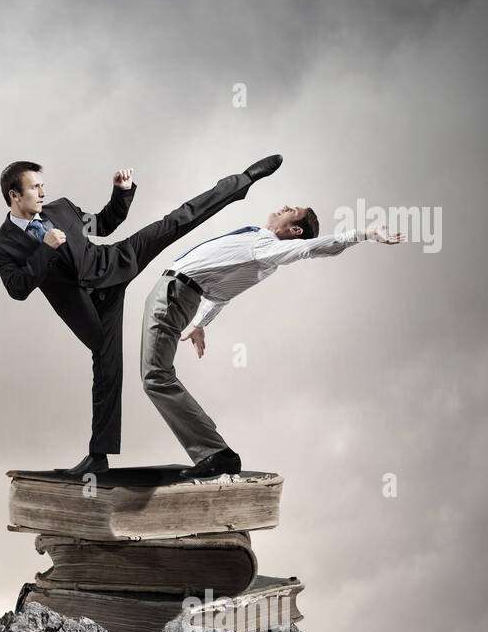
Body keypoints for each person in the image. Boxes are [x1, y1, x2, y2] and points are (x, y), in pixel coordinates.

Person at [0, 155, 283, 476]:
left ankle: (242, 182)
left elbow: (102, 225)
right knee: (107, 372)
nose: (43, 193)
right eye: (35, 187)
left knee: (174, 221)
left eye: (43, 185)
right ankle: (98, 457)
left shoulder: (60, 209)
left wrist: (121, 192)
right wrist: (45, 248)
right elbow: (17, 287)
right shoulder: (2, 244)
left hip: (115, 262)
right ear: (14, 195)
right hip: (88, 307)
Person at [140, 205, 406, 479]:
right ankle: (212, 448)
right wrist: (199, 323)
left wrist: (364, 234)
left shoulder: (267, 248)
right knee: (155, 376)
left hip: (174, 293)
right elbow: (223, 293)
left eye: (293, 210)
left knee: (156, 377)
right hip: (174, 291)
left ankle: (215, 453)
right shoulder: (258, 246)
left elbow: (309, 248)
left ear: (295, 229)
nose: (285, 207)